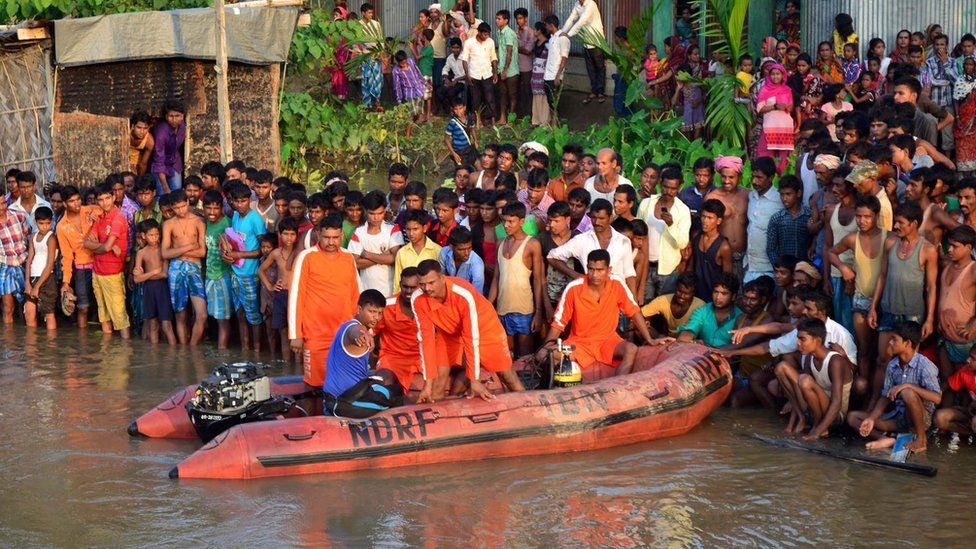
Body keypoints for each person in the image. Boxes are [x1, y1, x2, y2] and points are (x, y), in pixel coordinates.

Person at [540, 249, 666, 375]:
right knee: (544, 355)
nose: (595, 275)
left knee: (631, 349)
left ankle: (617, 386)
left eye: (600, 270)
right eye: (591, 269)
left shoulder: (617, 284)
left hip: (608, 341)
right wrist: (546, 348)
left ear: (609, 270)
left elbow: (633, 311)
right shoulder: (574, 288)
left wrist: (649, 339)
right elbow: (559, 323)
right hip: (580, 343)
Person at [413, 260, 525, 401]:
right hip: (448, 333)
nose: (427, 288)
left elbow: (471, 337)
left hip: (484, 329)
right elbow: (426, 341)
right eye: (422, 284)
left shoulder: (463, 294)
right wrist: (426, 384)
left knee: (506, 375)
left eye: (431, 283)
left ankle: (528, 405)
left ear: (442, 278)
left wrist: (474, 380)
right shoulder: (417, 299)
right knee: (436, 385)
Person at [869, 201, 939, 406]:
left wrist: (929, 319)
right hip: (889, 311)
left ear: (914, 224)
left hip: (913, 317)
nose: (896, 226)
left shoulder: (928, 249)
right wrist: (873, 307)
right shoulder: (890, 243)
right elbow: (882, 276)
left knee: (910, 365)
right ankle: (876, 402)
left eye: (900, 222)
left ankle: (907, 407)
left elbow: (931, 287)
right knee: (883, 360)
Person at [290, 214, 361, 388]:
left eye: (335, 238)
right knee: (313, 384)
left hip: (345, 333)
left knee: (346, 383)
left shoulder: (348, 258)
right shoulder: (306, 257)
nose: (331, 242)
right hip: (315, 334)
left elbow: (357, 294)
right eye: (326, 238)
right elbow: (295, 297)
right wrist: (295, 335)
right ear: (318, 235)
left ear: (342, 236)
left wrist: (363, 329)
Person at [848, 321, 940, 452]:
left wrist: (908, 385)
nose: (890, 342)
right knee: (853, 417)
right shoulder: (892, 365)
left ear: (907, 343)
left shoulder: (925, 366)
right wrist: (872, 419)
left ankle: (921, 439)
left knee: (907, 392)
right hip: (898, 418)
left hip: (920, 420)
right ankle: (884, 439)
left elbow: (937, 398)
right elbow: (885, 397)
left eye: (894, 339)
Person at [322, 290, 405, 418]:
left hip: (334, 398)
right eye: (371, 312)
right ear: (359, 309)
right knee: (398, 392)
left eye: (380, 313)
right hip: (346, 402)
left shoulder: (345, 325)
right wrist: (362, 336)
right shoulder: (354, 329)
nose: (376, 317)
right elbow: (355, 333)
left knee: (380, 384)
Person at [547, 198, 638, 296]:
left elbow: (629, 274)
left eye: (601, 218)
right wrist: (576, 275)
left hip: (617, 297)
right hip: (591, 297)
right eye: (593, 218)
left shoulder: (623, 241)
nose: (597, 222)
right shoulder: (581, 240)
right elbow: (552, 256)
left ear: (610, 218)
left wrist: (634, 303)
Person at [490, 202, 544, 358]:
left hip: (524, 311)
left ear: (522, 222)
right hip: (502, 310)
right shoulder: (500, 244)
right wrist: (488, 306)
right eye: (504, 221)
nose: (506, 225)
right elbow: (496, 279)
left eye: (510, 221)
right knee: (505, 358)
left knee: (524, 360)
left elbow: (538, 280)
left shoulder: (532, 244)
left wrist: (538, 313)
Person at [792, 317, 855, 440]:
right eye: (798, 339)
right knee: (800, 378)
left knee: (805, 380)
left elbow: (836, 401)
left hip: (836, 416)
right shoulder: (809, 358)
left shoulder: (835, 360)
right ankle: (814, 424)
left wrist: (817, 432)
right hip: (818, 411)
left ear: (817, 340)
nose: (798, 343)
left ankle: (819, 428)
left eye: (802, 339)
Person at [222, 182, 267, 351]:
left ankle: (256, 351)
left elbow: (263, 250)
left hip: (250, 273)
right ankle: (245, 349)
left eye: (243, 201)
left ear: (249, 200)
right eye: (237, 201)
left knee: (253, 315)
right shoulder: (235, 216)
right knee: (240, 313)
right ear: (232, 201)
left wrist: (239, 255)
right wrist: (227, 254)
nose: (240, 205)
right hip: (235, 271)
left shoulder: (255, 219)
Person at [161, 190, 207, 346]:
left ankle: (192, 348)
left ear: (188, 202)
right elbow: (165, 253)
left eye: (183, 206)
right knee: (180, 314)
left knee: (202, 315)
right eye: (176, 208)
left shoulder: (199, 222)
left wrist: (178, 252)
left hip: (194, 267)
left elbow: (202, 252)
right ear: (172, 208)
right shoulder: (168, 224)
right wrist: (188, 247)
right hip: (175, 268)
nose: (180, 210)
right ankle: (183, 352)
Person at [636, 167, 689, 301]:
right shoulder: (646, 204)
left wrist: (671, 225)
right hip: (645, 265)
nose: (669, 192)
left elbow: (683, 243)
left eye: (673, 189)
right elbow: (636, 230)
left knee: (663, 310)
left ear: (679, 188)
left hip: (668, 269)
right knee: (643, 306)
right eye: (666, 187)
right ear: (660, 183)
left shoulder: (682, 210)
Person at [84, 183, 130, 338]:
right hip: (97, 272)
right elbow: (87, 244)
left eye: (108, 198)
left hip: (113, 274)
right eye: (101, 199)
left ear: (114, 197)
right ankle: (107, 355)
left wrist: (105, 247)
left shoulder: (118, 218)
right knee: (103, 315)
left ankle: (126, 351)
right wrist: (107, 247)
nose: (105, 202)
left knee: (120, 317)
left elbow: (102, 246)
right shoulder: (99, 217)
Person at [56, 186, 101, 329]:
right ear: (64, 203)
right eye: (71, 201)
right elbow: (67, 256)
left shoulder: (90, 209)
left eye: (78, 200)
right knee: (83, 308)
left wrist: (97, 215)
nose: (76, 204)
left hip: (101, 261)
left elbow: (106, 210)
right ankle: (83, 346)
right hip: (82, 268)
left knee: (104, 306)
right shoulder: (61, 227)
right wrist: (66, 282)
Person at [938, 226, 976, 385]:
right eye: (949, 245)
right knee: (948, 381)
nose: (950, 249)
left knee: (963, 384)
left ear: (968, 248)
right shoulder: (947, 264)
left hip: (963, 341)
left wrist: (973, 324)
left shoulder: (973, 269)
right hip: (945, 338)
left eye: (955, 246)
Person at [375, 268, 424, 391]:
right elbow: (368, 329)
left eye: (413, 288)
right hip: (392, 357)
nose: (408, 291)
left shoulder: (430, 304)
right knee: (382, 383)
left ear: (421, 286)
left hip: (422, 357)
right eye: (405, 287)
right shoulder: (386, 305)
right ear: (400, 285)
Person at [348, 190, 403, 297]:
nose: (376, 217)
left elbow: (395, 259)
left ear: (385, 210)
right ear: (365, 211)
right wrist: (384, 257)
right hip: (365, 289)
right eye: (372, 214)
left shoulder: (393, 229)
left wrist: (367, 254)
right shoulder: (359, 232)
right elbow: (355, 263)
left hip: (389, 290)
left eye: (380, 213)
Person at [822, 168, 858, 333]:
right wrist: (826, 278)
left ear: (850, 186)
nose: (834, 189)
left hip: (856, 276)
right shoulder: (832, 211)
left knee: (853, 326)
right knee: (839, 325)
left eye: (839, 185)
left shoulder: (861, 213)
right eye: (833, 185)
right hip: (836, 275)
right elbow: (827, 244)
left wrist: (851, 280)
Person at [259, 218, 299, 361]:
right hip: (281, 294)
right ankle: (287, 367)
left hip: (296, 296)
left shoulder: (300, 252)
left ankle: (298, 369)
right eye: (286, 234)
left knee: (296, 333)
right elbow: (261, 270)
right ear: (280, 235)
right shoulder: (276, 253)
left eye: (292, 234)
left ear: (297, 235)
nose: (289, 237)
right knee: (283, 332)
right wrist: (270, 286)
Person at [132, 219, 176, 344]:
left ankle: (174, 353)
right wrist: (154, 272)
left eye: (157, 234)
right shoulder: (141, 253)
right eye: (151, 235)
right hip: (148, 289)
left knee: (166, 324)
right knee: (152, 324)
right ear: (143, 236)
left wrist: (145, 275)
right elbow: (136, 279)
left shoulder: (163, 249)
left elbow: (164, 274)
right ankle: (154, 356)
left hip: (162, 288)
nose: (154, 238)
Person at [706, 156, 748, 280]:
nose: (726, 181)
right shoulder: (713, 198)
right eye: (723, 176)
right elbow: (707, 229)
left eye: (731, 177)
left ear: (739, 177)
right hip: (722, 256)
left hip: (746, 257)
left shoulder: (748, 196)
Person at [202, 191, 233, 350]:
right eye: (208, 208)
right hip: (210, 276)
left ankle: (222, 354)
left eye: (216, 208)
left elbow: (231, 251)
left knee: (223, 320)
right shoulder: (205, 223)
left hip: (223, 276)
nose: (212, 212)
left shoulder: (227, 224)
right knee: (214, 316)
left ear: (221, 208)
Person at [677, 273, 742, 348]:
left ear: (733, 297)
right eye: (715, 292)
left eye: (724, 294)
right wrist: (685, 339)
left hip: (727, 357)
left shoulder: (741, 316)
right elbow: (690, 330)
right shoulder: (702, 310)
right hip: (702, 355)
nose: (718, 297)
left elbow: (738, 348)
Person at [744, 158, 783, 283]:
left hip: (769, 267)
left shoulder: (780, 200)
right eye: (753, 177)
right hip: (750, 264)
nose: (755, 181)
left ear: (771, 178)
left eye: (759, 178)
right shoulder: (751, 196)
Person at [562, 0, 606, 104]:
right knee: (590, 68)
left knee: (599, 67)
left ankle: (600, 92)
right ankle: (594, 91)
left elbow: (582, 21)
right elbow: (571, 19)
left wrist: (569, 34)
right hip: (586, 42)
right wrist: (563, 32)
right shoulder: (577, 4)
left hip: (596, 42)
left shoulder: (591, 4)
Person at [766, 176, 813, 270]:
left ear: (798, 193)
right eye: (782, 194)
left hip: (805, 269)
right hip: (784, 269)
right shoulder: (777, 219)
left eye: (788, 194)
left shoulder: (809, 216)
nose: (784, 198)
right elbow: (771, 249)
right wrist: (779, 267)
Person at [23, 206, 58, 330]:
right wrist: (27, 282)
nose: (45, 226)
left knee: (48, 313)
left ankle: (50, 346)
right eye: (41, 223)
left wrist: (37, 287)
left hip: (47, 279)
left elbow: (49, 265)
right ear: (35, 222)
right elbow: (29, 260)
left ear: (51, 222)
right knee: (29, 311)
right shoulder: (33, 236)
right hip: (33, 277)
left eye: (48, 223)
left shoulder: (51, 238)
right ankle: (32, 346)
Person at [690, 199, 732, 301]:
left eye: (709, 218)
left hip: (712, 297)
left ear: (719, 221)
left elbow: (727, 278)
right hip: (695, 294)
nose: (705, 221)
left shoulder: (723, 247)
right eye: (703, 216)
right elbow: (691, 265)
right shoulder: (696, 236)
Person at [755, 63, 795, 172]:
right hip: (770, 127)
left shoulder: (787, 90)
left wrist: (786, 106)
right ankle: (766, 178)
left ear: (783, 75)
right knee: (763, 154)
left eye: (778, 74)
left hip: (785, 127)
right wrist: (775, 106)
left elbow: (791, 108)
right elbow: (759, 109)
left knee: (784, 158)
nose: (775, 76)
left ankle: (781, 181)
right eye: (773, 74)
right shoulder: (764, 89)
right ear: (769, 75)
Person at [641, 272, 705, 337]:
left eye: (686, 294)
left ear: (693, 293)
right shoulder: (663, 300)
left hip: (689, 341)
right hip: (667, 338)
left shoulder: (701, 306)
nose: (682, 296)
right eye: (679, 291)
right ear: (675, 288)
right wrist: (649, 327)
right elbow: (640, 314)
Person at [461, 22, 498, 127]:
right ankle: (478, 121)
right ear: (479, 32)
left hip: (487, 74)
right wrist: (467, 74)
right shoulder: (469, 43)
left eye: (488, 34)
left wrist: (495, 73)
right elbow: (464, 60)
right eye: (484, 34)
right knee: (475, 99)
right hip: (474, 75)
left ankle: (492, 121)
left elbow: (493, 58)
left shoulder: (490, 41)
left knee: (490, 98)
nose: (487, 36)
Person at [934, 345, 976, 436]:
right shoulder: (965, 371)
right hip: (972, 413)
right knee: (939, 417)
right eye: (969, 356)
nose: (968, 360)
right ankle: (971, 432)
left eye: (973, 359)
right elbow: (946, 386)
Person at [151, 101, 186, 194]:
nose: (174, 119)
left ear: (182, 116)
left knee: (177, 190)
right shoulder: (161, 133)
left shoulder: (182, 125)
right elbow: (159, 161)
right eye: (171, 116)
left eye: (177, 116)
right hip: (159, 162)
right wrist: (165, 187)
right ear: (166, 117)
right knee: (162, 193)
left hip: (174, 161)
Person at [847, 160, 893, 231]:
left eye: (859, 180)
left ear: (873, 178)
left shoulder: (882, 206)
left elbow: (882, 237)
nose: (855, 185)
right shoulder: (866, 198)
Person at [438, 225, 484, 294]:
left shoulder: (477, 263)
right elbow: (441, 279)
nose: (466, 253)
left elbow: (477, 294)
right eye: (461, 249)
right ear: (451, 247)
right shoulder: (444, 253)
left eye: (469, 248)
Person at [542, 15, 571, 122]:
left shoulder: (562, 38)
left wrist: (558, 75)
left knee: (554, 101)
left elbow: (564, 58)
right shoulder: (552, 38)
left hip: (555, 75)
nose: (545, 28)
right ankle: (553, 122)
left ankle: (556, 123)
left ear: (551, 25)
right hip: (548, 74)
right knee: (550, 101)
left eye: (546, 25)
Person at [494, 10, 519, 124]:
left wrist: (505, 70)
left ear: (506, 20)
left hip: (511, 70)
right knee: (502, 94)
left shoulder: (509, 33)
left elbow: (509, 52)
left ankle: (511, 119)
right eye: (496, 18)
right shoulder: (499, 32)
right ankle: (503, 117)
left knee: (512, 94)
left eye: (499, 19)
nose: (496, 21)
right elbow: (501, 52)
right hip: (501, 68)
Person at [392, 50, 429, 125]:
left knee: (418, 112)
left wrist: (426, 83)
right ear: (398, 62)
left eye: (405, 62)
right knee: (411, 114)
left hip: (419, 90)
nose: (404, 65)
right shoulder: (396, 70)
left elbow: (418, 73)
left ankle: (415, 123)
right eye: (402, 63)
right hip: (408, 94)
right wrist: (399, 100)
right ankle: (408, 133)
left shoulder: (411, 62)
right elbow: (397, 86)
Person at [358, 3, 384, 110]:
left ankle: (377, 103)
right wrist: (360, 56)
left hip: (376, 56)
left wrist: (380, 52)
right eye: (369, 12)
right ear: (363, 13)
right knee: (366, 80)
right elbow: (356, 43)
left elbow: (380, 39)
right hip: (365, 57)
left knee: (377, 80)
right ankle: (367, 105)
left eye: (372, 12)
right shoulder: (358, 25)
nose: (371, 15)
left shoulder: (376, 24)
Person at [954, 56, 976, 175]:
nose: (968, 66)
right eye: (966, 64)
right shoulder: (959, 81)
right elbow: (956, 100)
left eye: (971, 64)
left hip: (974, 118)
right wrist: (957, 117)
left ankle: (973, 171)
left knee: (973, 145)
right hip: (962, 117)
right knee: (961, 145)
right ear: (963, 67)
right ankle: (961, 173)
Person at [444, 99, 478, 167]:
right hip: (459, 152)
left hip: (469, 148)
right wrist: (453, 153)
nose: (458, 111)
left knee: (478, 165)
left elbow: (472, 129)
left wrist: (475, 141)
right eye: (456, 109)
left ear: (464, 108)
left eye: (460, 108)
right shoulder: (453, 122)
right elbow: (446, 139)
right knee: (462, 170)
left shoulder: (469, 119)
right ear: (453, 110)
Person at [128, 111, 154, 175]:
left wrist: (140, 180)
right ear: (133, 126)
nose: (142, 131)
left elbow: (143, 164)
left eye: (145, 128)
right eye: (139, 127)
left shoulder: (149, 141)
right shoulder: (125, 132)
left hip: (136, 167)